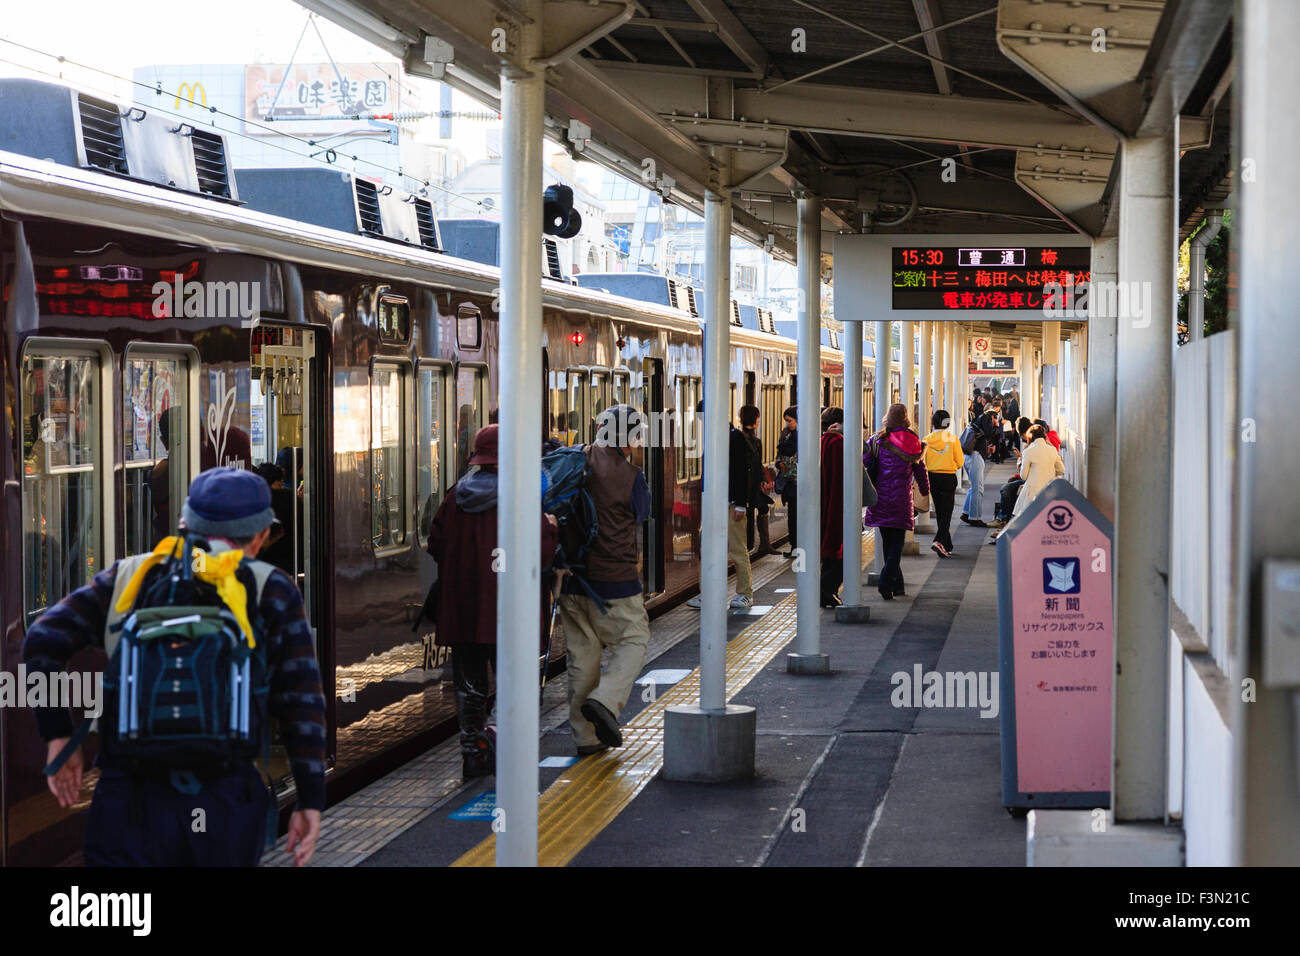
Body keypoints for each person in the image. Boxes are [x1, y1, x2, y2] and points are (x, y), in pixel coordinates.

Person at [23, 467, 327, 866]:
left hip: (129, 798)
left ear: (185, 524)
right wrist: (310, 798)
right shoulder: (270, 588)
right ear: (259, 535)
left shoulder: (129, 577)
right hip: (223, 799)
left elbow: (41, 641)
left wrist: (58, 737)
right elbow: (301, 702)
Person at [426, 424, 559, 776]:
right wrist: (552, 527)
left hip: (463, 610)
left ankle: (472, 752)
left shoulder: (455, 498)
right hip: (511, 610)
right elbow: (542, 552)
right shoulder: (520, 498)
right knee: (515, 678)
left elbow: (434, 544)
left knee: (469, 684)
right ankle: (501, 737)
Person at [559, 405, 653, 755]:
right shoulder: (631, 476)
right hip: (614, 580)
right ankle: (606, 700)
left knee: (582, 657)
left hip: (570, 579)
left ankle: (586, 738)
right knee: (634, 638)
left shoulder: (574, 459)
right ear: (629, 438)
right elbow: (642, 513)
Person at [686, 399, 756, 610]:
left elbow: (743, 473)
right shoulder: (712, 436)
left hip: (731, 503)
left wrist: (741, 505)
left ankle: (745, 593)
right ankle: (707, 593)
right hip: (713, 504)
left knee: (737, 549)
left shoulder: (735, 438)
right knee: (706, 547)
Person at [864, 404, 930, 600]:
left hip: (880, 497)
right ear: (905, 419)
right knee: (897, 543)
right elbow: (920, 470)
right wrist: (925, 490)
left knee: (888, 542)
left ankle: (895, 584)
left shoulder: (877, 440)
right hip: (902, 498)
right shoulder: (913, 441)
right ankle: (889, 581)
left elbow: (864, 460)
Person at [922, 409, 963, 558]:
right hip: (948, 477)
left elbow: (923, 461)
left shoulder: (926, 439)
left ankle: (947, 544)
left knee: (940, 511)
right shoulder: (952, 439)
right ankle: (939, 540)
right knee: (947, 513)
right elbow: (960, 461)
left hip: (932, 477)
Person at [741, 404, 778, 558]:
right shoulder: (743, 439)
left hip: (755, 483)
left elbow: (758, 463)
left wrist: (762, 479)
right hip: (746, 484)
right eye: (757, 417)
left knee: (762, 508)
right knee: (751, 511)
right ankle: (754, 544)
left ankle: (764, 544)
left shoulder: (756, 440)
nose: (758, 420)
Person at [818, 406, 846, 607]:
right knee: (839, 553)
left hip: (823, 503)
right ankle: (827, 591)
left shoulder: (821, 441)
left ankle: (827, 592)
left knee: (829, 554)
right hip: (837, 504)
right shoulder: (838, 443)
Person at [1012, 424, 1065, 520]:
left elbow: (1023, 476)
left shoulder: (1028, 451)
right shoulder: (1052, 450)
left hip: (1032, 493)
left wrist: (1020, 461)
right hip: (1049, 491)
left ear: (1030, 437)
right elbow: (1061, 469)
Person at [774, 406, 799, 559]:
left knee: (797, 516)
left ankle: (798, 546)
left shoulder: (804, 436)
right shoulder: (786, 435)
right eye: (786, 421)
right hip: (789, 483)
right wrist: (779, 464)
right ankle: (794, 546)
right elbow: (779, 455)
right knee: (793, 516)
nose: (787, 424)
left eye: (790, 421)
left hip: (798, 483)